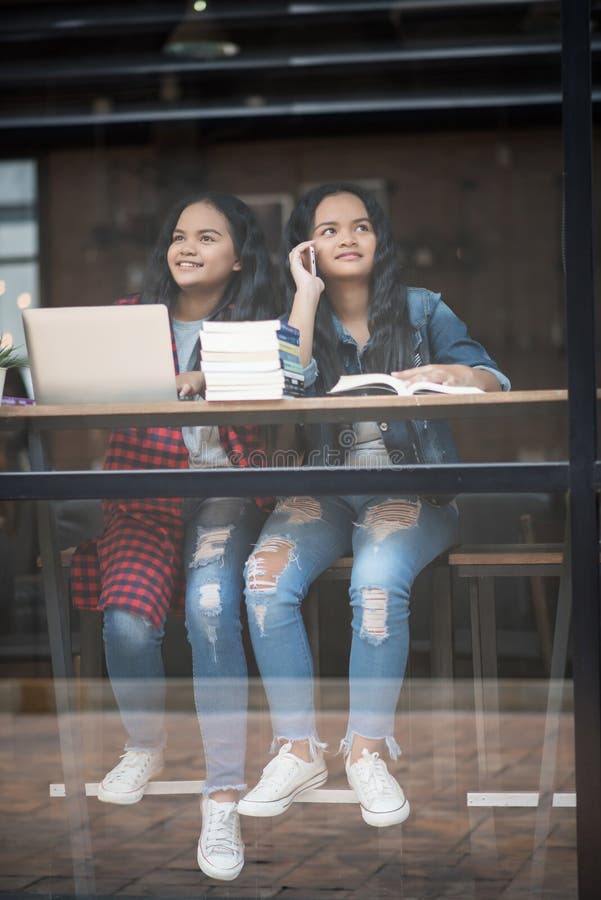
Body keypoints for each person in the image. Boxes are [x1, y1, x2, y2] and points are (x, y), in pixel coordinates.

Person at [238, 183, 510, 828]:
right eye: (328, 230)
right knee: (263, 579)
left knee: (378, 585)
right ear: (307, 247)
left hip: (414, 488)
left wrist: (454, 376)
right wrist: (304, 296)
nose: (347, 238)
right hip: (325, 492)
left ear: (379, 240)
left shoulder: (423, 310)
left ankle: (366, 749)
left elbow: (493, 376)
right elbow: (285, 385)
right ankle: (298, 749)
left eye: (360, 226)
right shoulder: (297, 318)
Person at [71, 192, 281, 881]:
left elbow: (289, 383)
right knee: (129, 623)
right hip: (141, 493)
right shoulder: (130, 320)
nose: (187, 246)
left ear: (238, 257)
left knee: (211, 612)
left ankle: (221, 793)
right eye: (179, 236)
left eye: (207, 237)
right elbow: (79, 395)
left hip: (223, 495)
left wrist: (210, 376)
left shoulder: (256, 325)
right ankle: (145, 744)